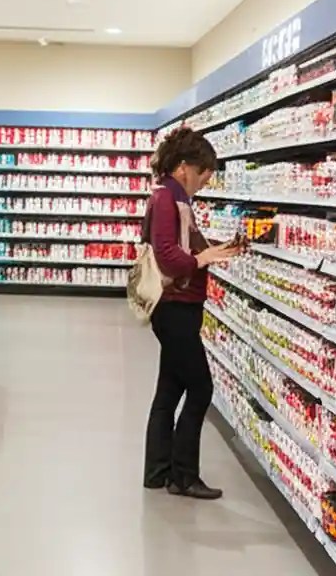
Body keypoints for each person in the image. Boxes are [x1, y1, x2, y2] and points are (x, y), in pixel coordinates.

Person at [142, 126, 240, 499]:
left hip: (177, 308)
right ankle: (183, 476)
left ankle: (157, 471)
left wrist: (216, 250)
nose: (206, 181)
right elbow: (168, 255)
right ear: (184, 167)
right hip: (175, 308)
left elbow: (182, 248)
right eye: (204, 173)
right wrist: (203, 258)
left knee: (169, 387)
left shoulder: (174, 197)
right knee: (201, 388)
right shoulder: (168, 198)